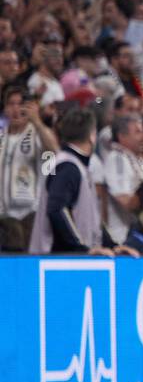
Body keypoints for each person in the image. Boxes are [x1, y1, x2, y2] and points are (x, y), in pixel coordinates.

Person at [29, 107, 121, 255]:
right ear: (92, 136)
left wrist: (112, 246)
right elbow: (56, 209)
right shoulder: (67, 166)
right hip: (60, 263)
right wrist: (81, 249)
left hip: (72, 260)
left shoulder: (76, 165)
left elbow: (91, 218)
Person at [0, 86, 57, 251]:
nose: (16, 109)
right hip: (3, 216)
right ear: (5, 108)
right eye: (11, 104)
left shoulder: (37, 134)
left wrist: (37, 121)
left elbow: (53, 154)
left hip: (30, 214)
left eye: (21, 104)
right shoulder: (1, 135)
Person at [101, 114, 143, 246]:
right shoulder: (117, 159)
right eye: (137, 132)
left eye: (142, 132)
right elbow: (126, 201)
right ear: (122, 136)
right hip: (121, 237)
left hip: (140, 235)